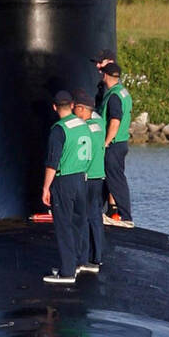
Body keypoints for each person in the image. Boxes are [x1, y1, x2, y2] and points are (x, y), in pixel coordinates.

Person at [41, 90, 90, 285]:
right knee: (79, 222)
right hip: (81, 179)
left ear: (54, 107)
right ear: (72, 105)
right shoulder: (83, 125)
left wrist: (46, 188)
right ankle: (79, 262)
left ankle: (67, 272)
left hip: (64, 180)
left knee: (64, 226)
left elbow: (52, 163)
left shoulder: (58, 130)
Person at [72, 90, 105, 274]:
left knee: (83, 217)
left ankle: (82, 258)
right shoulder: (99, 122)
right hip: (98, 176)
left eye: (75, 108)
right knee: (95, 217)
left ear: (83, 109)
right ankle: (97, 257)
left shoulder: (85, 128)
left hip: (87, 176)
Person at [99, 61, 133, 226]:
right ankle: (106, 211)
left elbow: (115, 121)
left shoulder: (113, 96)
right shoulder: (123, 92)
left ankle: (125, 217)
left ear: (105, 75)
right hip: (122, 142)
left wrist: (106, 142)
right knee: (113, 178)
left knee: (115, 179)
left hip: (114, 143)